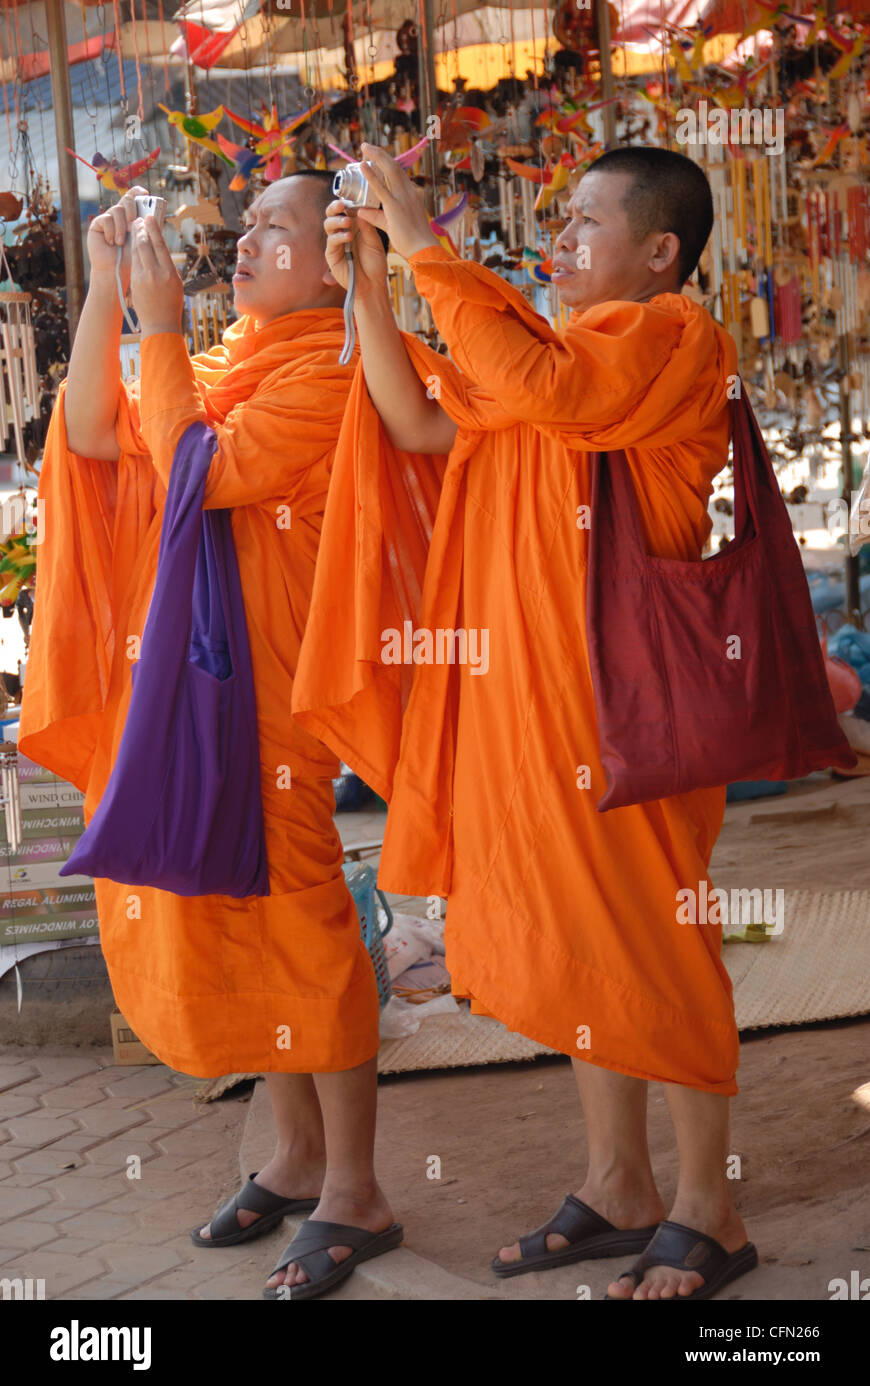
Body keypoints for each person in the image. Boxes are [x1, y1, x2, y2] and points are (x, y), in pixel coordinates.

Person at [292, 145, 757, 1299]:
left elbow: (553, 395)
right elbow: (416, 418)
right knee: (579, 936)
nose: (562, 236)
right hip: (529, 707)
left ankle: (712, 1206)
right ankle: (619, 1182)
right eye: (561, 216)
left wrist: (425, 241)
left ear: (659, 252)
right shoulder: (534, 361)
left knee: (655, 935)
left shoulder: (667, 341)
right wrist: (370, 281)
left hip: (625, 707)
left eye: (589, 220)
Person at [18, 172, 402, 1300]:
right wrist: (104, 298)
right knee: (233, 911)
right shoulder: (232, 358)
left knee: (304, 919)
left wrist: (162, 331)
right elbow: (95, 433)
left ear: (334, 263)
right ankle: (291, 1157)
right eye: (243, 231)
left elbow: (202, 469)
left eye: (274, 231)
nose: (244, 247)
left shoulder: (331, 369)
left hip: (276, 691)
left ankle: (359, 1190)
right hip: (191, 681)